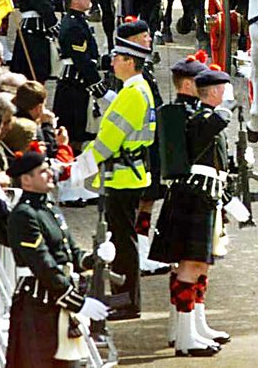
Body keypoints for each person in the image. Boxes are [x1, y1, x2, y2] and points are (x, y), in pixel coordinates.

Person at [73, 19, 157, 320]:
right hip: (127, 173)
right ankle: (125, 298)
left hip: (123, 177)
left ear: (129, 61)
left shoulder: (131, 93)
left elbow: (107, 141)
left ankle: (127, 301)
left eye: (117, 59)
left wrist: (76, 170)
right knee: (123, 240)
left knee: (123, 243)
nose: (112, 63)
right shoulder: (135, 88)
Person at [151, 56, 232, 356]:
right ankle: (185, 337)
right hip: (194, 195)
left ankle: (193, 327)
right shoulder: (197, 116)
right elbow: (206, 130)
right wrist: (220, 111)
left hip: (205, 193)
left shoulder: (199, 115)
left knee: (199, 264)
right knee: (190, 264)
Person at [6, 150, 116, 367]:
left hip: (57, 300)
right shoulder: (24, 215)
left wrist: (94, 257)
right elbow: (43, 265)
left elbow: (70, 253)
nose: (50, 175)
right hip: (38, 303)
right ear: (26, 180)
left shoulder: (48, 208)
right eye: (42, 172)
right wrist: (78, 303)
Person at [54, 0, 101, 145]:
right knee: (73, 133)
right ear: (74, 0)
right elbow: (82, 60)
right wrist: (97, 85)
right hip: (73, 84)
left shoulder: (78, 20)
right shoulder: (73, 25)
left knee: (78, 131)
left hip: (76, 82)